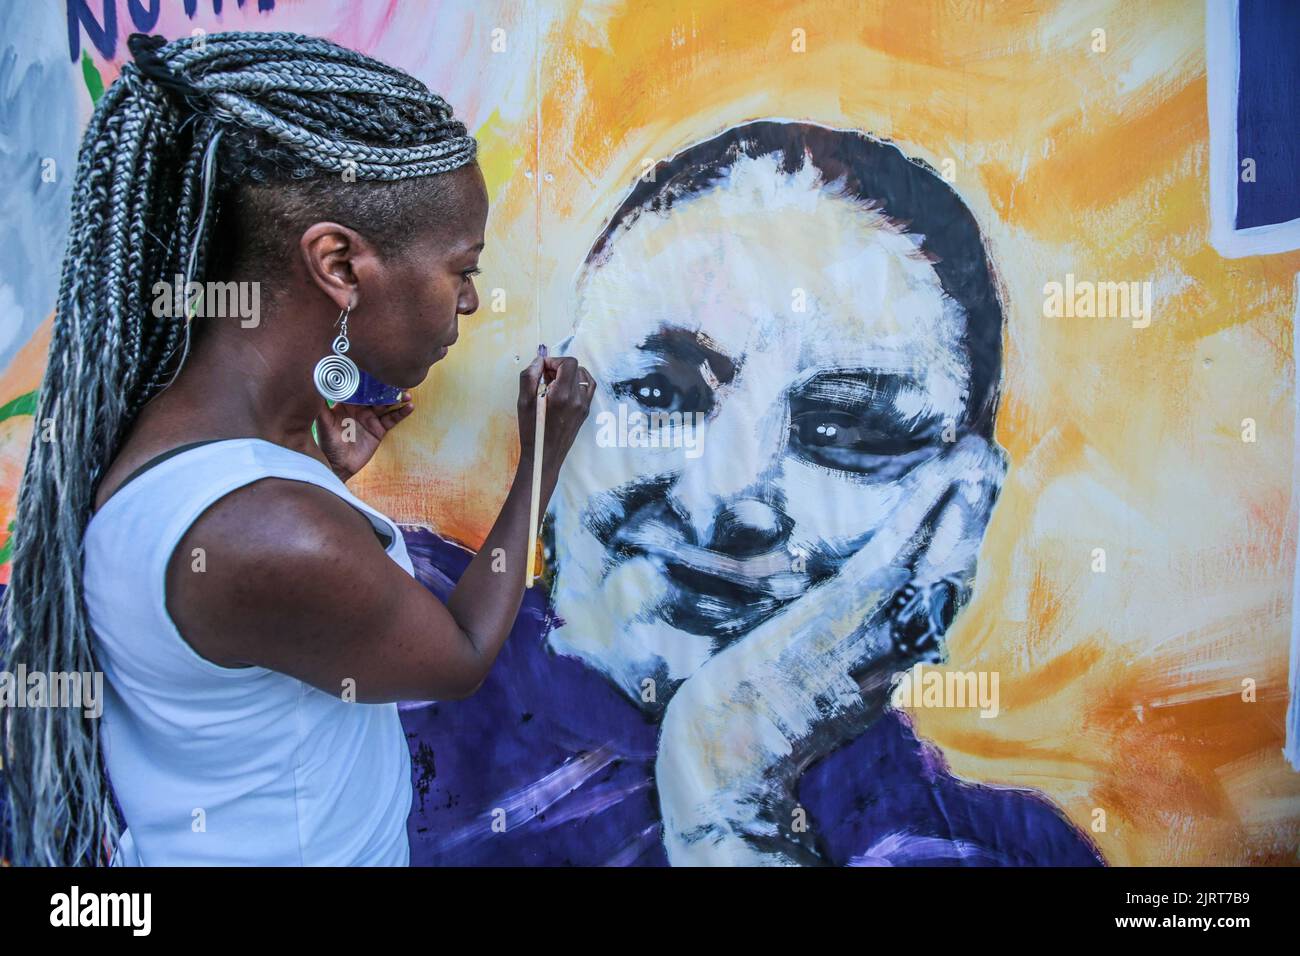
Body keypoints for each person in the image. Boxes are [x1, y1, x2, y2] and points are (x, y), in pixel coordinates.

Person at [397, 121, 1105, 866]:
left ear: (958, 510)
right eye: (659, 394)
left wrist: (730, 802)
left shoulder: (984, 853)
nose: (723, 500)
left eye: (844, 432)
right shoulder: (383, 621)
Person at [0, 30, 593, 867]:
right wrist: (541, 459)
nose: (469, 301)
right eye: (462, 268)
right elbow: (457, 657)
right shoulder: (271, 531)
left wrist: (314, 471)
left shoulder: (190, 444)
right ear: (341, 266)